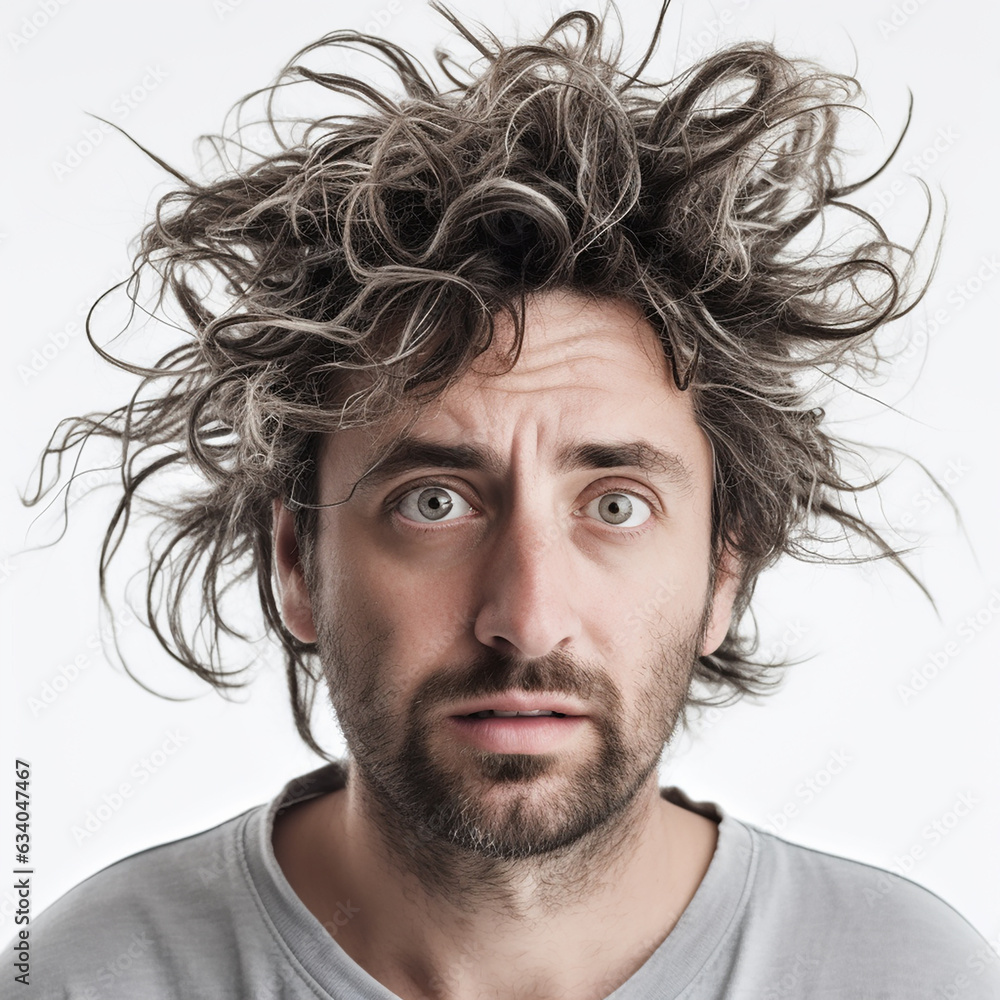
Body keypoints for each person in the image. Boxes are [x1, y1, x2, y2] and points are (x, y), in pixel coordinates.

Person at [8, 4, 999, 998]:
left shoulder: (908, 975)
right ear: (297, 565)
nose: (525, 621)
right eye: (432, 502)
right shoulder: (83, 977)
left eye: (614, 505)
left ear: (722, 573)